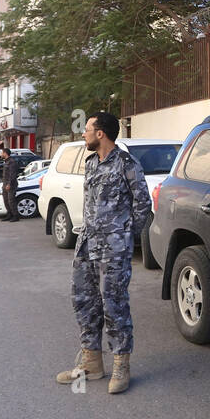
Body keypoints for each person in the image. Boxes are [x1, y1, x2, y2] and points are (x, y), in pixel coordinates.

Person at [55, 112, 151, 394]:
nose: (83, 134)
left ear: (101, 134)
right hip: (87, 244)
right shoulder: (91, 163)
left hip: (113, 248)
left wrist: (123, 237)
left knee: (114, 305)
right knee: (84, 301)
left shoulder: (127, 164)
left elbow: (143, 205)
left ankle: (121, 364)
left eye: (87, 129)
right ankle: (91, 363)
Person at [0, 147, 21, 221]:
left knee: (11, 200)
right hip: (5, 183)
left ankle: (15, 216)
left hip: (11, 184)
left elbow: (13, 175)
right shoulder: (6, 161)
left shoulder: (12, 162)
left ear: (5, 153)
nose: (0, 154)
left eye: (1, 153)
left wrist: (9, 184)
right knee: (6, 200)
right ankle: (9, 214)